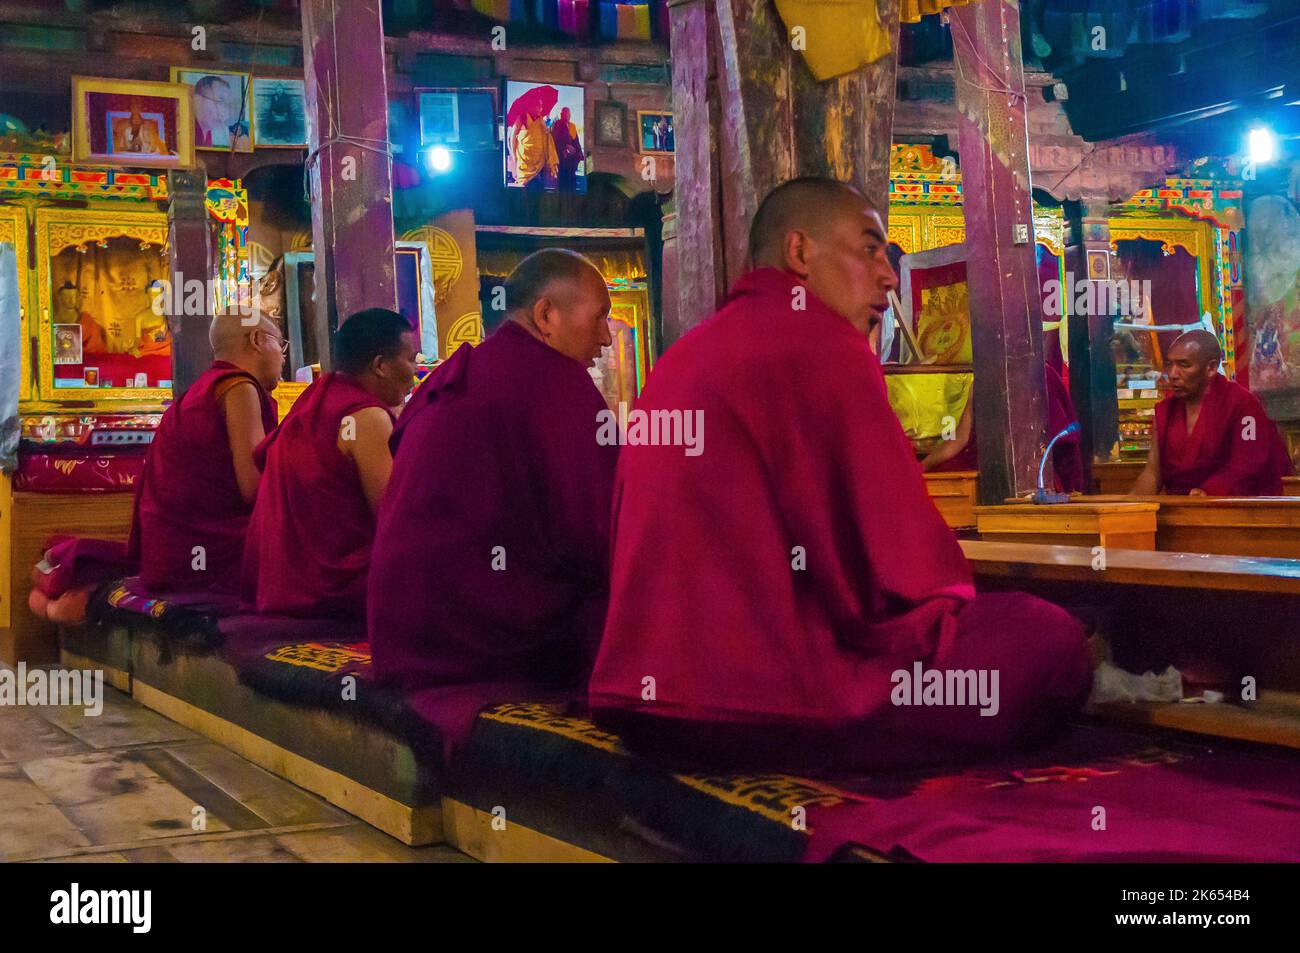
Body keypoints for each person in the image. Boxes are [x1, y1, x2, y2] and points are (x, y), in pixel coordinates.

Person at [587, 177, 1091, 774]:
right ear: (799, 253)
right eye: (871, 249)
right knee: (1045, 637)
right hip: (766, 706)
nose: (888, 275)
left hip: (644, 704)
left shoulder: (685, 354)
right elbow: (890, 587)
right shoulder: (825, 346)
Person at [368, 250, 616, 708]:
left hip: (401, 634)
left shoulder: (457, 373)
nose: (606, 338)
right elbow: (599, 533)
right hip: (484, 643)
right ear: (546, 314)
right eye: (600, 317)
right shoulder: (556, 384)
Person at [242, 309, 416, 622]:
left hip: (280, 588)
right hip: (337, 592)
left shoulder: (314, 399)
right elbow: (396, 522)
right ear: (380, 366)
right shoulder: (366, 416)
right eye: (412, 359)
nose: (416, 371)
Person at [129, 312, 284, 597]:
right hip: (212, 559)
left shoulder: (201, 390)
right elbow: (254, 489)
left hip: (170, 556)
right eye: (281, 344)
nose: (283, 357)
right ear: (257, 339)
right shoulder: (239, 388)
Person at [1131, 329, 1293, 496]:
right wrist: (1129, 507)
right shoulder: (1166, 411)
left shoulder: (1243, 404)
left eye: (1184, 365)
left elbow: (1246, 464)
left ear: (1211, 368)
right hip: (1179, 508)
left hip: (1236, 510)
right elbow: (1152, 472)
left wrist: (1208, 491)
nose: (1172, 374)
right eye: (1169, 364)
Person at [922, 362, 1085, 493]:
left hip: (1035, 476)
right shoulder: (983, 379)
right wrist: (923, 466)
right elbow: (961, 438)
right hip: (991, 469)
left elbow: (1062, 441)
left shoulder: (1042, 375)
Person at [511, 107, 559, 192]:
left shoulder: (540, 119)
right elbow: (512, 137)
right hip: (525, 161)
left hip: (540, 162)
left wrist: (547, 133)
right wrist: (514, 155)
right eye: (538, 105)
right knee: (525, 190)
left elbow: (545, 135)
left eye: (541, 106)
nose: (540, 108)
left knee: (539, 189)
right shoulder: (522, 117)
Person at [552, 107, 585, 191]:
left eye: (568, 114)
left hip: (572, 159)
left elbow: (576, 141)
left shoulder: (572, 126)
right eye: (564, 114)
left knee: (572, 185)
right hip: (562, 158)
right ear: (561, 115)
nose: (567, 115)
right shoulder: (557, 124)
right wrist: (565, 148)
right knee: (563, 184)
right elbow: (555, 140)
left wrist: (575, 150)